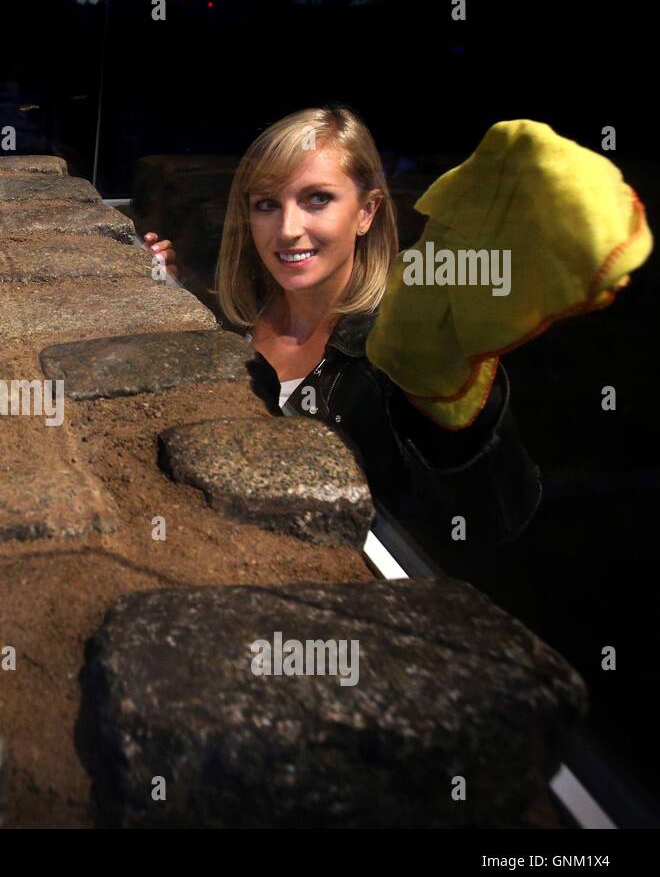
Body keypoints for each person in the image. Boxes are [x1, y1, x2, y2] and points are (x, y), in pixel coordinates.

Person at [143, 105, 542, 547]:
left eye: (317, 198)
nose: (288, 229)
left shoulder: (396, 348)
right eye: (267, 204)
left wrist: (471, 402)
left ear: (367, 212)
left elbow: (492, 521)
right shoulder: (238, 312)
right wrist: (168, 288)